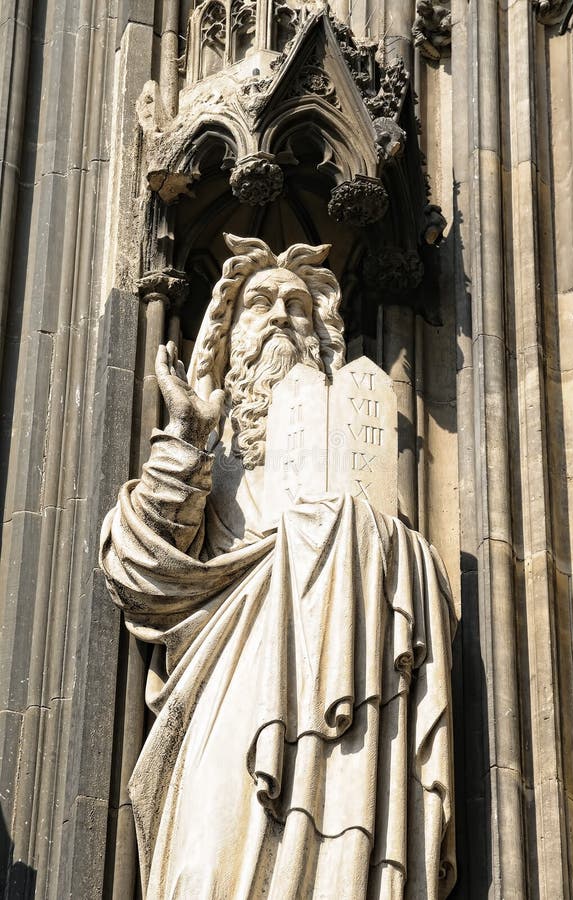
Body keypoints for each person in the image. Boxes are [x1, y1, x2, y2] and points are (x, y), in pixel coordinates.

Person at [100, 234, 457, 899]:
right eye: (259, 304)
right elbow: (137, 570)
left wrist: (371, 539)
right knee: (203, 870)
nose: (280, 318)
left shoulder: (365, 484)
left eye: (298, 307)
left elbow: (418, 598)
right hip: (227, 689)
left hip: (340, 714)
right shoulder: (211, 469)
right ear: (223, 339)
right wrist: (186, 439)